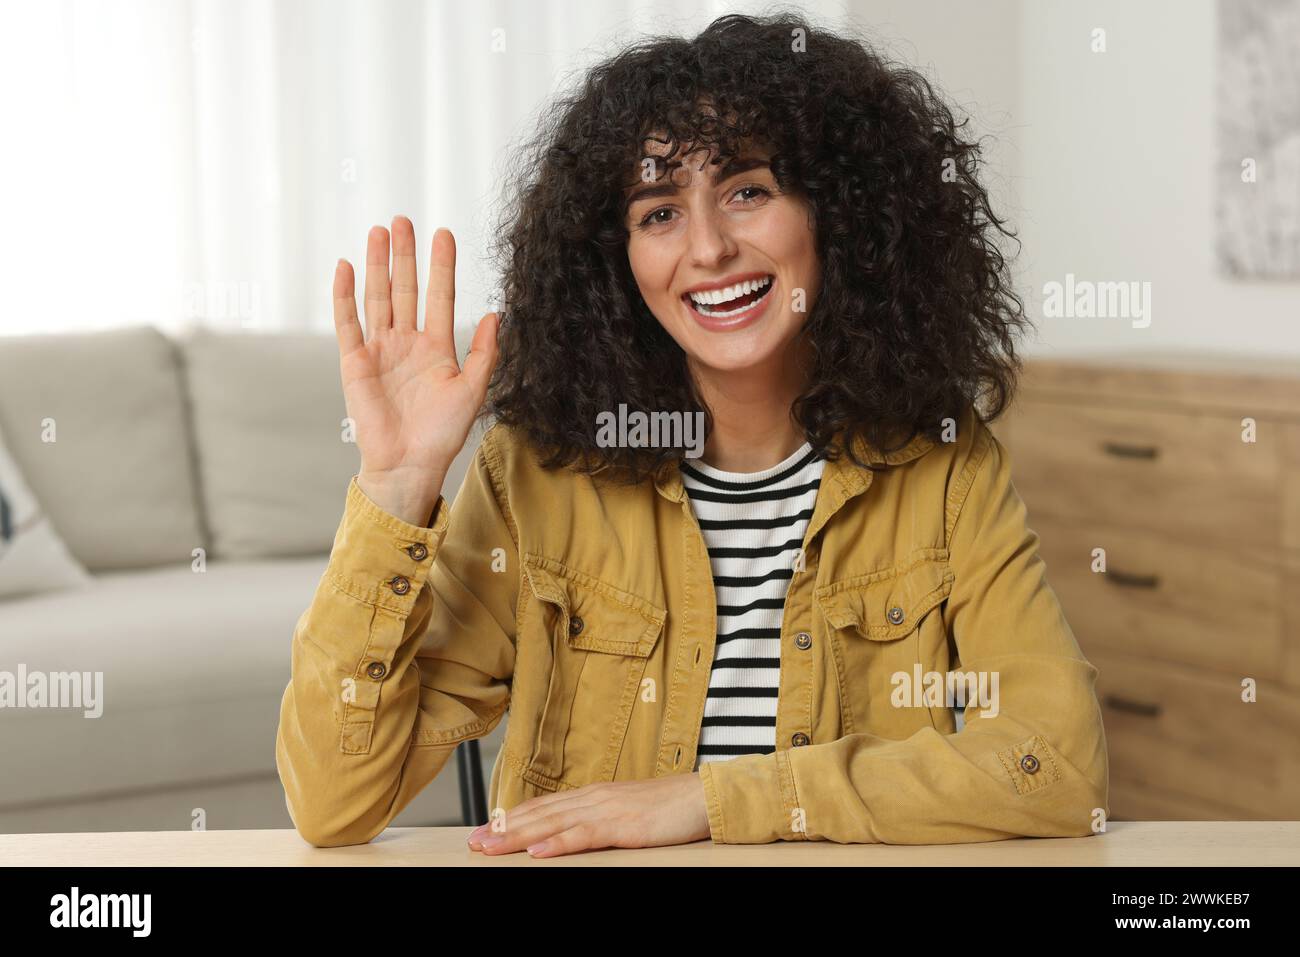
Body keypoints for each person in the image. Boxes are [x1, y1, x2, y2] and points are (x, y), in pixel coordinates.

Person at [275, 11, 1108, 857]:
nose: (708, 247)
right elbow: (334, 806)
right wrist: (397, 485)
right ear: (616, 259)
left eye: (748, 190)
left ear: (838, 212)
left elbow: (1059, 765)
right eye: (658, 212)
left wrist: (720, 798)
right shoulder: (536, 476)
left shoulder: (942, 469)